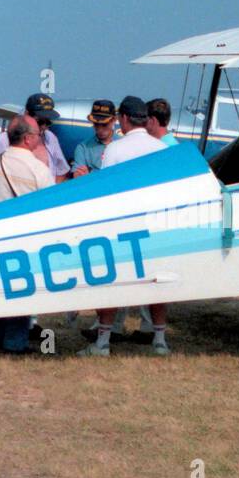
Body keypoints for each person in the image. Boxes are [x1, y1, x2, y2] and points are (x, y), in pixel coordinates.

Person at [80, 96, 170, 357]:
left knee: (113, 284)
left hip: (123, 227)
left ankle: (103, 342)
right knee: (156, 283)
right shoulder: (161, 149)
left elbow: (105, 192)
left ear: (125, 119)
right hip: (155, 226)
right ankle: (160, 340)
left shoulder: (116, 150)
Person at [0, 117, 55, 353]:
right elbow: (50, 210)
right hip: (25, 241)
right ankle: (15, 343)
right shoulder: (39, 169)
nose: (39, 137)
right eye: (37, 134)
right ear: (27, 138)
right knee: (20, 291)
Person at [0, 94, 70, 183]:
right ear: (27, 114)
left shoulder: (50, 138)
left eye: (48, 122)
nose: (44, 126)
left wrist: (51, 193)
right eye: (40, 122)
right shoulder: (4, 139)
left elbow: (61, 170)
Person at [70, 99, 118, 176]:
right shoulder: (83, 148)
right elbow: (77, 176)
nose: (100, 129)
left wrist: (90, 173)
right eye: (96, 124)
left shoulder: (123, 144)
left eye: (104, 124)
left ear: (114, 120)